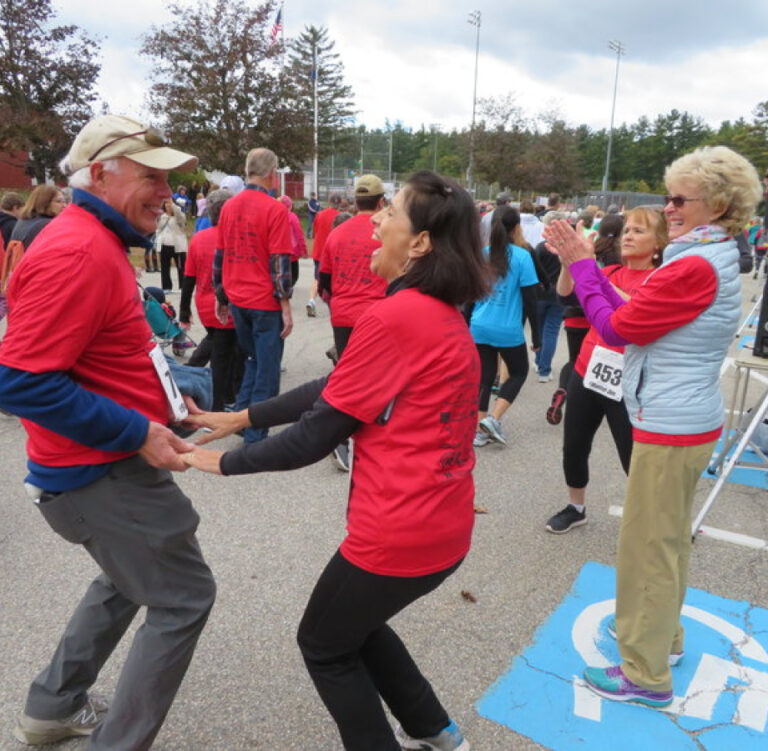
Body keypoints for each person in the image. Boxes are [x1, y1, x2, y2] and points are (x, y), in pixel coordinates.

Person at [181, 169, 485, 751]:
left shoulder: (397, 317)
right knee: (356, 627)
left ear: (419, 243)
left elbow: (317, 435)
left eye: (390, 213)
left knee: (323, 643)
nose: (375, 219)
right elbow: (334, 384)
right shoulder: (434, 312)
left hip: (399, 531)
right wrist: (243, 419)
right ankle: (437, 732)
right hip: (440, 524)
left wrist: (216, 464)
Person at [0, 114, 216, 750]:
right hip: (99, 471)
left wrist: (169, 394)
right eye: (151, 177)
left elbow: (101, 356)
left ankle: (53, 706)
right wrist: (134, 430)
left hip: (101, 465)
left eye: (169, 180)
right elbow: (17, 381)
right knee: (183, 595)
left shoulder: (95, 241)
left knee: (129, 578)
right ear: (99, 173)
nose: (166, 193)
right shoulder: (76, 251)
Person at [544, 145, 761, 707]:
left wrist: (583, 264)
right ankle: (661, 638)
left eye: (678, 198)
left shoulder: (692, 262)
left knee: (648, 548)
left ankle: (644, 673)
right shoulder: (707, 253)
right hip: (682, 415)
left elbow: (617, 328)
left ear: (715, 204)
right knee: (664, 543)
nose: (667, 207)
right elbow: (640, 313)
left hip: (673, 422)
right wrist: (590, 270)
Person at [544, 207, 667, 534]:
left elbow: (630, 310)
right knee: (574, 446)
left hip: (628, 382)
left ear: (659, 243)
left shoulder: (661, 280)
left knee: (633, 458)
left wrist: (588, 269)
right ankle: (576, 507)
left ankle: (655, 518)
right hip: (588, 370)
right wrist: (570, 264)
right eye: (627, 229)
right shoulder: (609, 271)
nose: (628, 235)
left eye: (639, 231)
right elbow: (565, 295)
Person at [213, 147, 293, 444]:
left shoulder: (229, 207)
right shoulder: (275, 210)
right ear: (272, 174)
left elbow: (220, 256)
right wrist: (285, 304)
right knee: (267, 368)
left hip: (237, 298)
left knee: (252, 360)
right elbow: (280, 263)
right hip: (264, 301)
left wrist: (221, 297)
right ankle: (256, 433)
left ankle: (242, 420)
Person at [318, 174, 388, 471]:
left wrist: (338, 301)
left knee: (346, 378)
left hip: (344, 313)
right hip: (379, 313)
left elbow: (324, 279)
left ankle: (339, 437)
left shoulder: (338, 233)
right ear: (382, 201)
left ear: (354, 201)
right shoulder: (386, 231)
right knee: (378, 378)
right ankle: (376, 437)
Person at [471, 206, 540, 448]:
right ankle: (493, 418)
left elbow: (471, 295)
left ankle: (480, 430)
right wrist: (538, 336)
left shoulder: (481, 254)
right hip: (507, 328)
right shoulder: (522, 256)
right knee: (519, 372)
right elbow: (531, 300)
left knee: (484, 376)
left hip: (478, 325)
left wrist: (465, 325)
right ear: (517, 227)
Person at [180, 189, 244, 411]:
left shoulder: (198, 239)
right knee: (226, 355)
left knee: (220, 347)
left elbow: (188, 279)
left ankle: (225, 397)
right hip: (228, 305)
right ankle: (221, 403)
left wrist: (184, 310)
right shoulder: (235, 239)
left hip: (205, 305)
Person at [306, 193, 341, 317]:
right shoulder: (339, 217)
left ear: (329, 202)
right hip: (332, 253)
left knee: (317, 278)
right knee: (334, 280)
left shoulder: (319, 215)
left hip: (319, 251)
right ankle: (333, 305)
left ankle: (311, 300)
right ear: (339, 204)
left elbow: (315, 233)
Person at [10, 185, 67, 250]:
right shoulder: (46, 225)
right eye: (58, 201)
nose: (64, 205)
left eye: (64, 201)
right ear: (44, 202)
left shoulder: (23, 220)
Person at [155, 197, 188, 291]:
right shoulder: (162, 216)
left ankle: (183, 286)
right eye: (166, 203)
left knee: (181, 267)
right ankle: (166, 287)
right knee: (165, 268)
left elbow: (180, 217)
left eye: (169, 203)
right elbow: (157, 227)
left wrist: (173, 206)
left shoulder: (179, 216)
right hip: (164, 245)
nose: (168, 205)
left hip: (177, 246)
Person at [278, 194, 308, 285]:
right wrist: (303, 250)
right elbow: (299, 234)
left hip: (278, 250)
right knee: (293, 275)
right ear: (290, 206)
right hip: (292, 250)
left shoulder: (275, 215)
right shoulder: (292, 217)